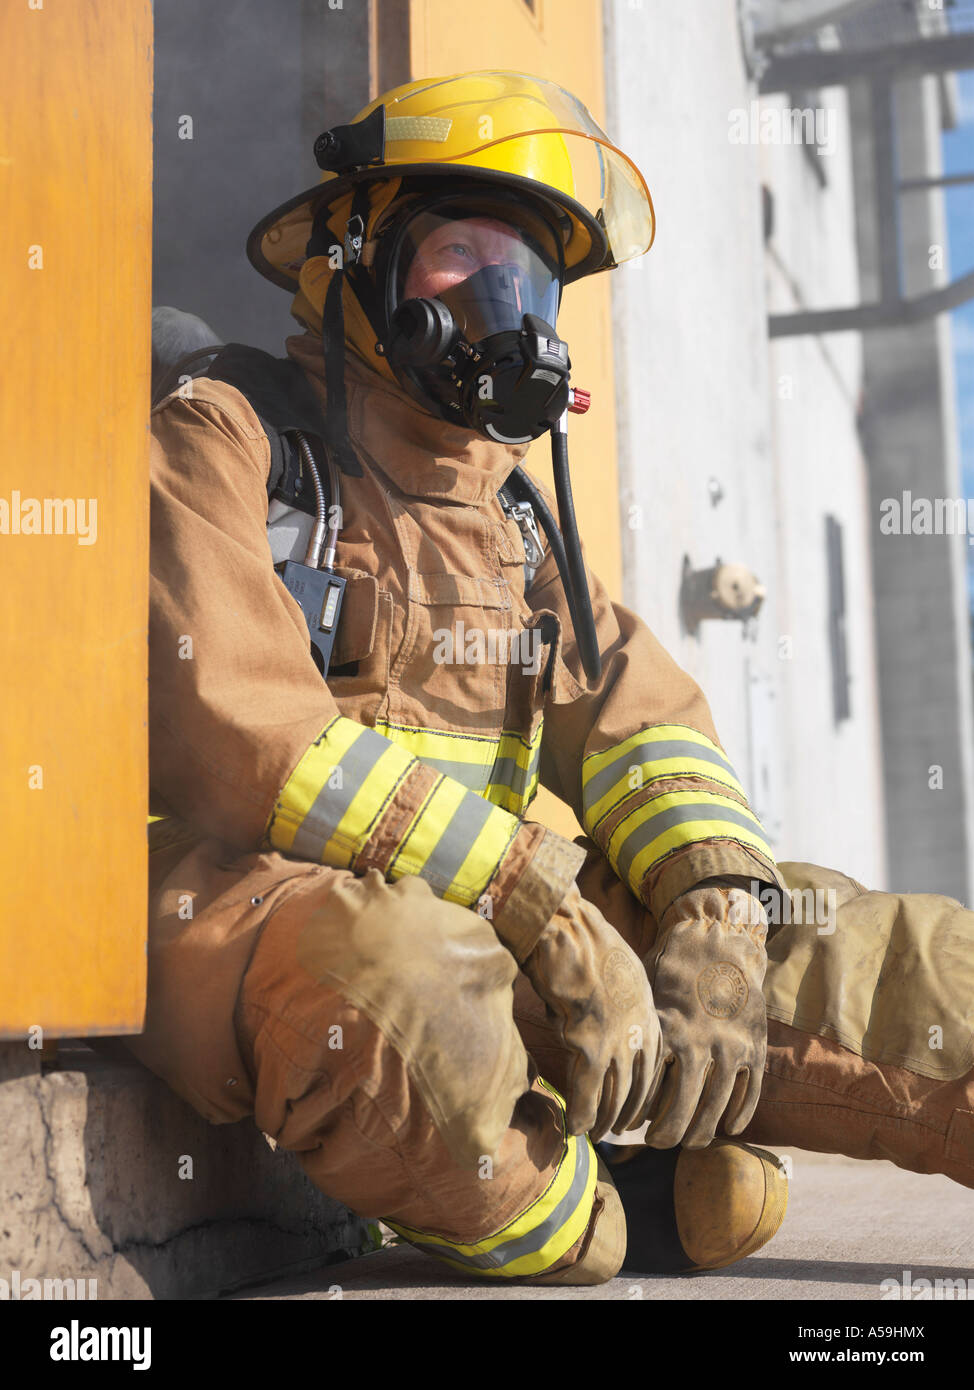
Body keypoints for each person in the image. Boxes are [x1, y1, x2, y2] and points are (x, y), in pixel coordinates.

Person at [130, 71, 973, 1285]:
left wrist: (718, 918)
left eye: (524, 272)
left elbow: (647, 731)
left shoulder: (514, 525)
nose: (498, 298)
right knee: (407, 987)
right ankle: (599, 1206)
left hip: (519, 942)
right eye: (459, 253)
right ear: (357, 265)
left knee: (883, 963)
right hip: (277, 934)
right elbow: (251, 740)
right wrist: (537, 898)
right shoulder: (225, 443)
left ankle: (639, 1149)